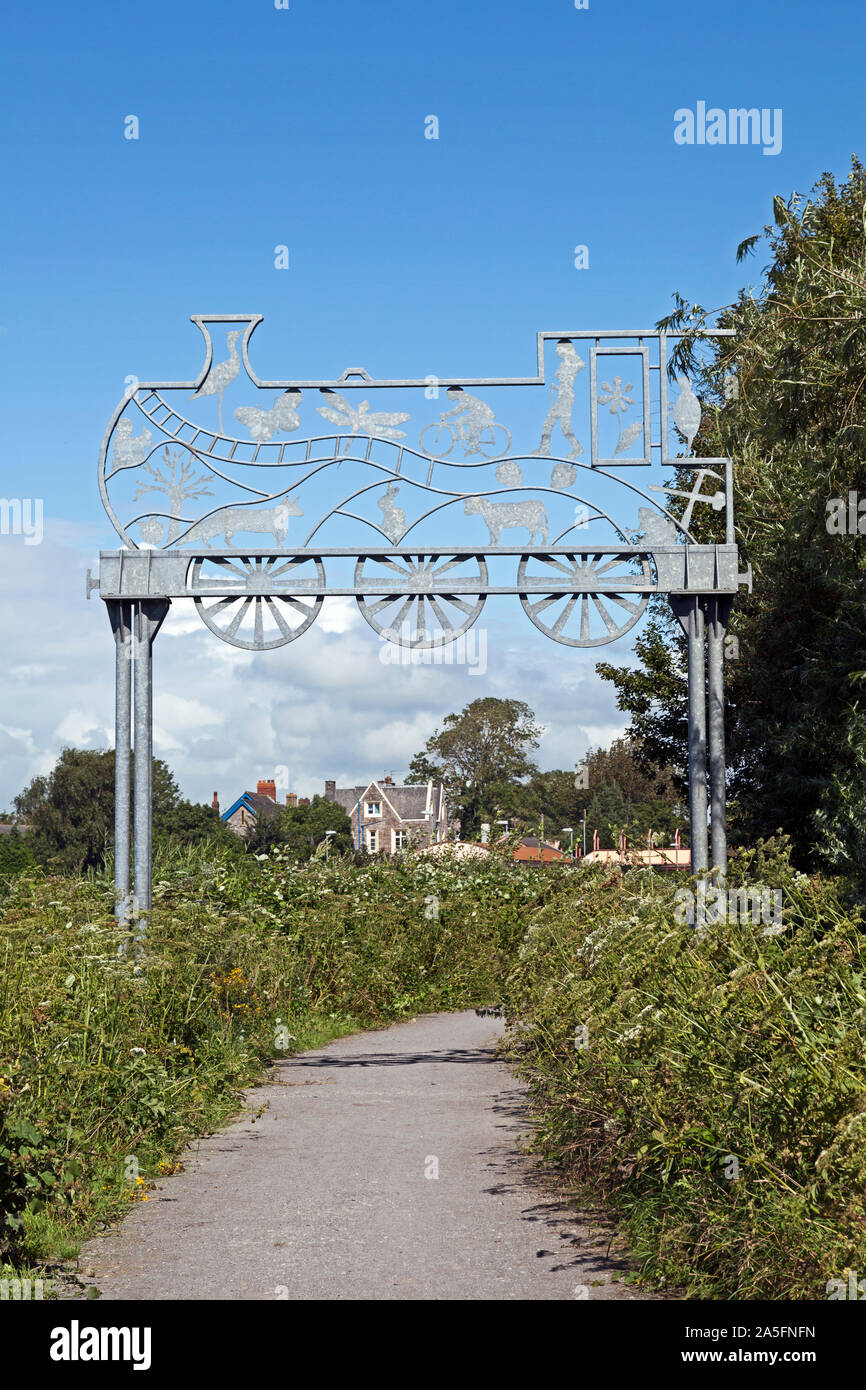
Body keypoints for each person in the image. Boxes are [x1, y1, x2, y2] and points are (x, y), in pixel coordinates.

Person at [536, 340, 584, 460]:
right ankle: (575, 448)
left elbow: (568, 384)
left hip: (565, 398)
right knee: (562, 426)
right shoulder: (566, 363)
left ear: (565, 349)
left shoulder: (570, 364)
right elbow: (566, 384)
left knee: (551, 423)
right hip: (564, 396)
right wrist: (557, 388)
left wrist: (562, 392)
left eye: (559, 348)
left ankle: (546, 449)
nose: (556, 350)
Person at [440, 387, 495, 456]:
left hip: (484, 415)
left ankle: (474, 447)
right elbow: (460, 410)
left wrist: (446, 415)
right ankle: (462, 435)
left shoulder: (465, 397)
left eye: (449, 395)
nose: (449, 397)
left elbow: (459, 410)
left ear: (455, 393)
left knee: (472, 428)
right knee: (459, 421)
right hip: (477, 414)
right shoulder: (463, 397)